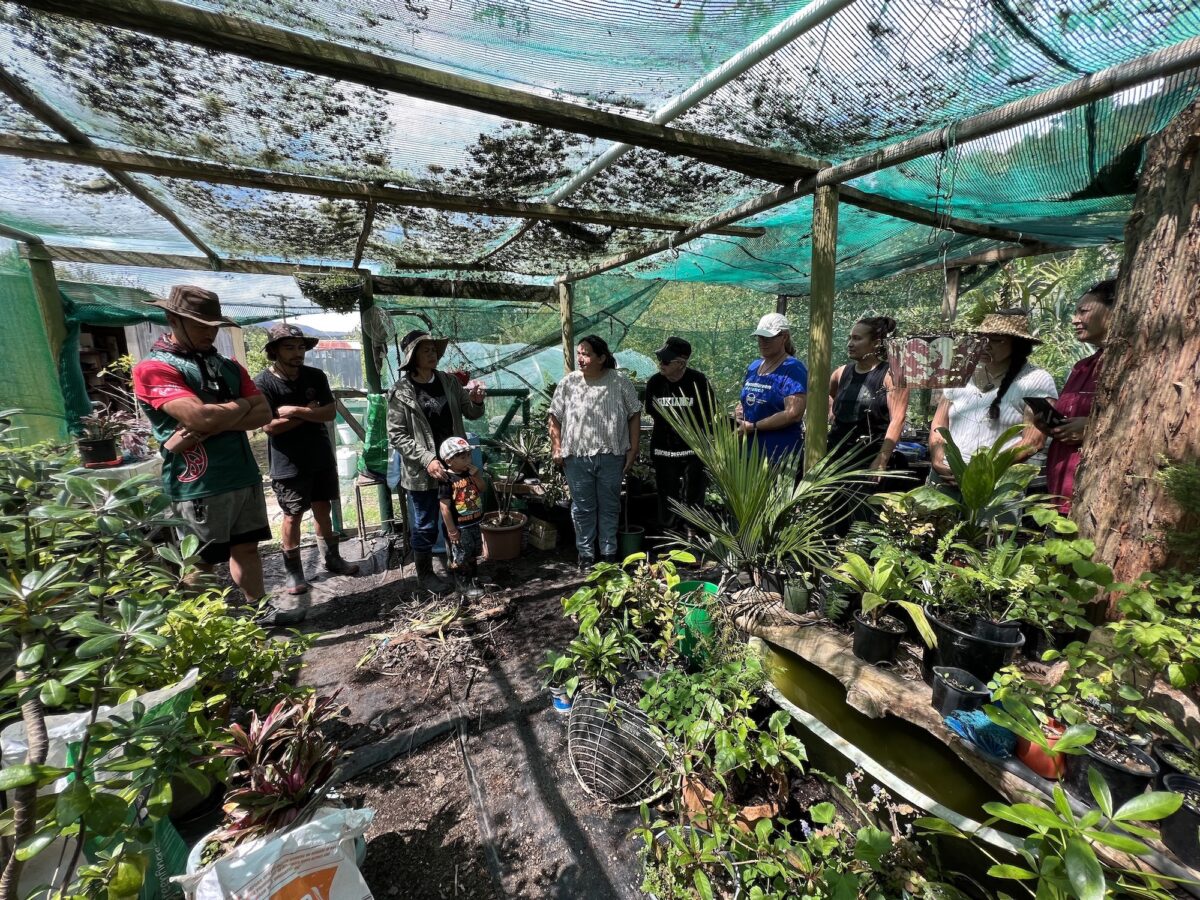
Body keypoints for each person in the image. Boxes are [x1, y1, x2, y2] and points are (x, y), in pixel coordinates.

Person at [132, 285, 299, 625]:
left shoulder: (227, 366)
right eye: (199, 324)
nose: (209, 331)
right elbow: (200, 417)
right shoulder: (155, 368)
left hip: (241, 473)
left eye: (213, 325)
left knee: (247, 548)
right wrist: (239, 408)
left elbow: (263, 413)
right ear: (172, 319)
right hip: (198, 483)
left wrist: (216, 417)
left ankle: (258, 610)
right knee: (201, 561)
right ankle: (205, 627)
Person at [254, 323, 360, 596]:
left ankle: (332, 558)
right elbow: (270, 427)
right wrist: (308, 412)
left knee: (323, 508)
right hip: (288, 462)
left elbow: (328, 413)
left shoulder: (315, 375)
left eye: (300, 347)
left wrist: (294, 411)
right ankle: (294, 573)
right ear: (274, 350)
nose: (297, 353)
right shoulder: (263, 382)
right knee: (293, 515)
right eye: (289, 347)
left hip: (319, 454)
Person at [387, 330, 485, 594]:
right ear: (412, 356)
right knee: (425, 524)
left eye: (434, 349)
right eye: (426, 350)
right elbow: (396, 434)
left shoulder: (449, 382)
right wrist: (427, 458)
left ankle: (463, 575)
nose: (433, 354)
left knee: (459, 520)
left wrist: (477, 401)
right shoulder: (401, 392)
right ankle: (426, 575)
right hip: (422, 471)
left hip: (456, 467)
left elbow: (471, 412)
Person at [929, 309, 1057, 486]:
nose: (986, 344)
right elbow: (939, 424)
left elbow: (1033, 440)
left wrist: (983, 473)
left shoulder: (1036, 380)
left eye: (996, 340)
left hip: (996, 484)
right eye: (982, 338)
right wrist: (937, 457)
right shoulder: (961, 372)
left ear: (1017, 344)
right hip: (945, 476)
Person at [549, 335, 641, 569]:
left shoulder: (619, 382)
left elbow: (634, 415)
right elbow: (554, 416)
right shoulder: (568, 383)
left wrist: (633, 447)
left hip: (612, 455)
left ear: (601, 358)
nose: (580, 358)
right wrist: (556, 447)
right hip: (576, 457)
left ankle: (609, 554)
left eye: (586, 354)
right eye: (579, 353)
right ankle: (586, 555)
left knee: (610, 505)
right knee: (582, 508)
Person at [1039, 279, 1116, 513]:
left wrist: (1093, 427)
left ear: (1116, 309)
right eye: (1075, 312)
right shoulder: (1082, 367)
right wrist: (1047, 422)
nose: (1075, 319)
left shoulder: (1129, 363)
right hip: (1061, 490)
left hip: (1098, 494)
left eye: (1083, 311)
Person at [644, 337, 716, 534]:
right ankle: (669, 541)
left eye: (666, 361)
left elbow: (710, 412)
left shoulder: (698, 381)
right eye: (660, 360)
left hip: (693, 451)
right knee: (667, 496)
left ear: (681, 363)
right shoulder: (655, 382)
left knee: (694, 495)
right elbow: (651, 410)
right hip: (663, 451)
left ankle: (693, 539)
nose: (661, 365)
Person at [827, 315, 909, 471]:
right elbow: (828, 395)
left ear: (876, 343)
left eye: (857, 339)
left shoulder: (891, 375)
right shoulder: (841, 372)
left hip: (869, 459)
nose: (850, 344)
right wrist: (832, 412)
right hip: (835, 457)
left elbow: (898, 419)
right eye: (850, 338)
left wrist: (882, 459)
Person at [735, 312, 808, 462]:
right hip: (749, 452)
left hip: (779, 455)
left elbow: (794, 413)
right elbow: (746, 399)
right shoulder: (754, 367)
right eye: (760, 337)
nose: (763, 342)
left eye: (768, 338)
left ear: (784, 337)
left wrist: (754, 426)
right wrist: (739, 411)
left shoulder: (793, 368)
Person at [437, 436, 487, 596]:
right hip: (460, 526)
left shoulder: (469, 473)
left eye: (468, 455)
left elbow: (482, 488)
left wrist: (477, 476)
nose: (468, 459)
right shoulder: (447, 480)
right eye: (462, 457)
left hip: (474, 522)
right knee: (461, 556)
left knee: (472, 552)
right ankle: (463, 586)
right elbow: (444, 507)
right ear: (449, 461)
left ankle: (473, 579)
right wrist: (452, 531)